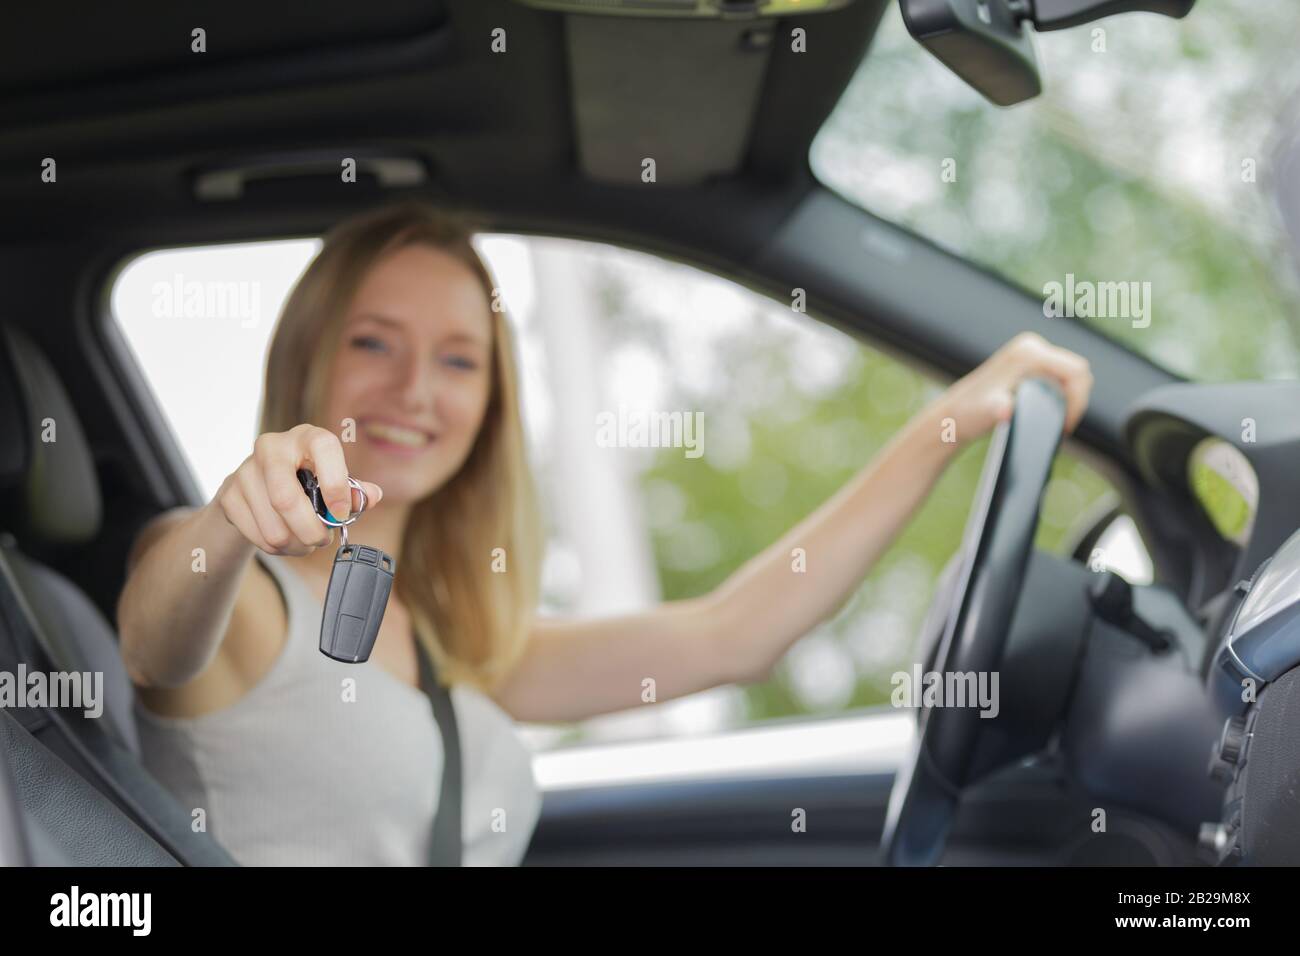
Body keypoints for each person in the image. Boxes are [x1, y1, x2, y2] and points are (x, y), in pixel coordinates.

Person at [115, 201, 1094, 866]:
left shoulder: (456, 643)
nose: (414, 390)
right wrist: (227, 520)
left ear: (492, 402)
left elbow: (731, 634)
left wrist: (948, 425)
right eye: (373, 340)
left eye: (458, 360)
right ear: (308, 354)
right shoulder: (240, 587)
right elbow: (155, 639)